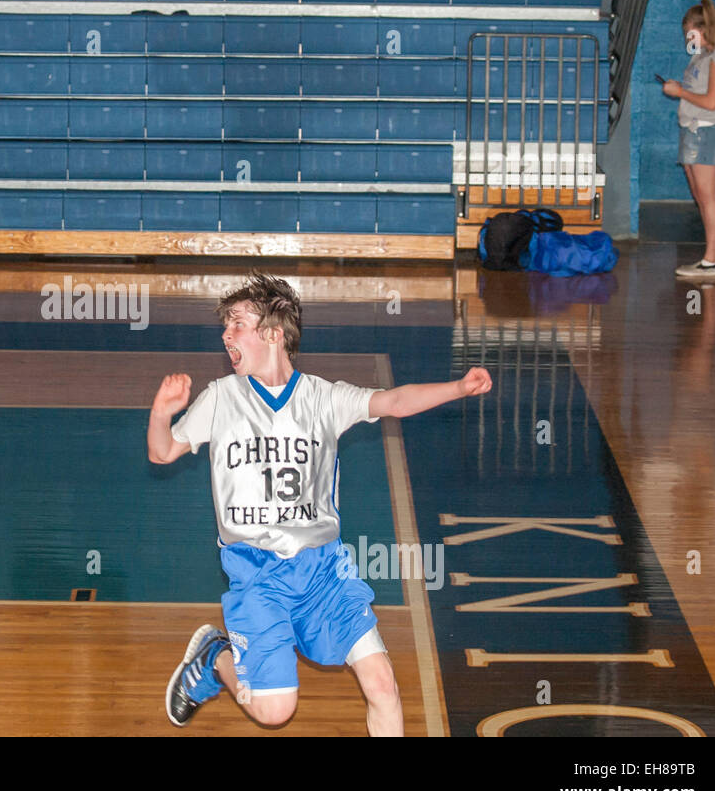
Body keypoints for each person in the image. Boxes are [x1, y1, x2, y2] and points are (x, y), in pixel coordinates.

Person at [149, 274, 492, 735]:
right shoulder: (221, 398)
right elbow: (162, 452)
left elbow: (393, 401)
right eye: (225, 326)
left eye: (237, 324)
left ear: (273, 333)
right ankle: (215, 659)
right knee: (275, 712)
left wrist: (458, 388)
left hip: (324, 572)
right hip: (257, 575)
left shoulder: (324, 398)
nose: (226, 335)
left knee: (383, 685)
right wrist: (161, 413)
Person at [662, 0, 715, 279]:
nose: (687, 37)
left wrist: (680, 92)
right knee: (700, 197)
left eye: (690, 32)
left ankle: (712, 261)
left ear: (703, 29)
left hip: (708, 131)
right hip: (693, 130)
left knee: (708, 197)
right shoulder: (702, 56)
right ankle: (713, 257)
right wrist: (679, 88)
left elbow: (712, 102)